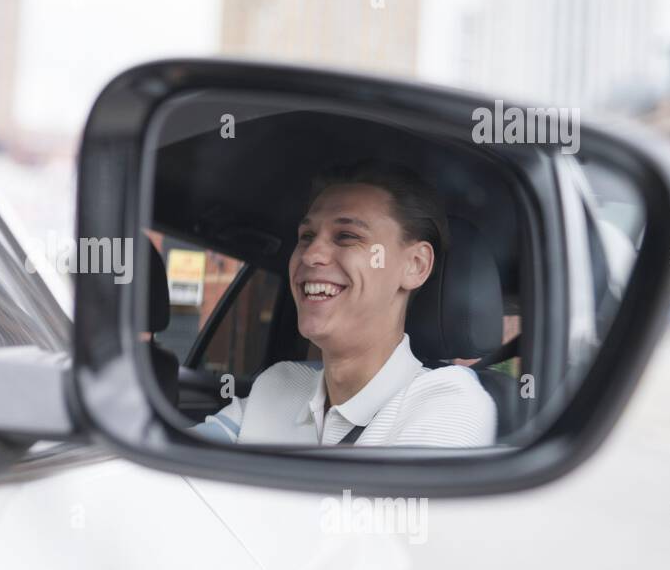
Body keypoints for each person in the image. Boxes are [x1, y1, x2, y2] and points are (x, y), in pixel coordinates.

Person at [193, 160, 496, 447]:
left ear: (415, 265)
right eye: (307, 236)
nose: (311, 254)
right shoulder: (276, 383)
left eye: (347, 236)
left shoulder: (451, 401)